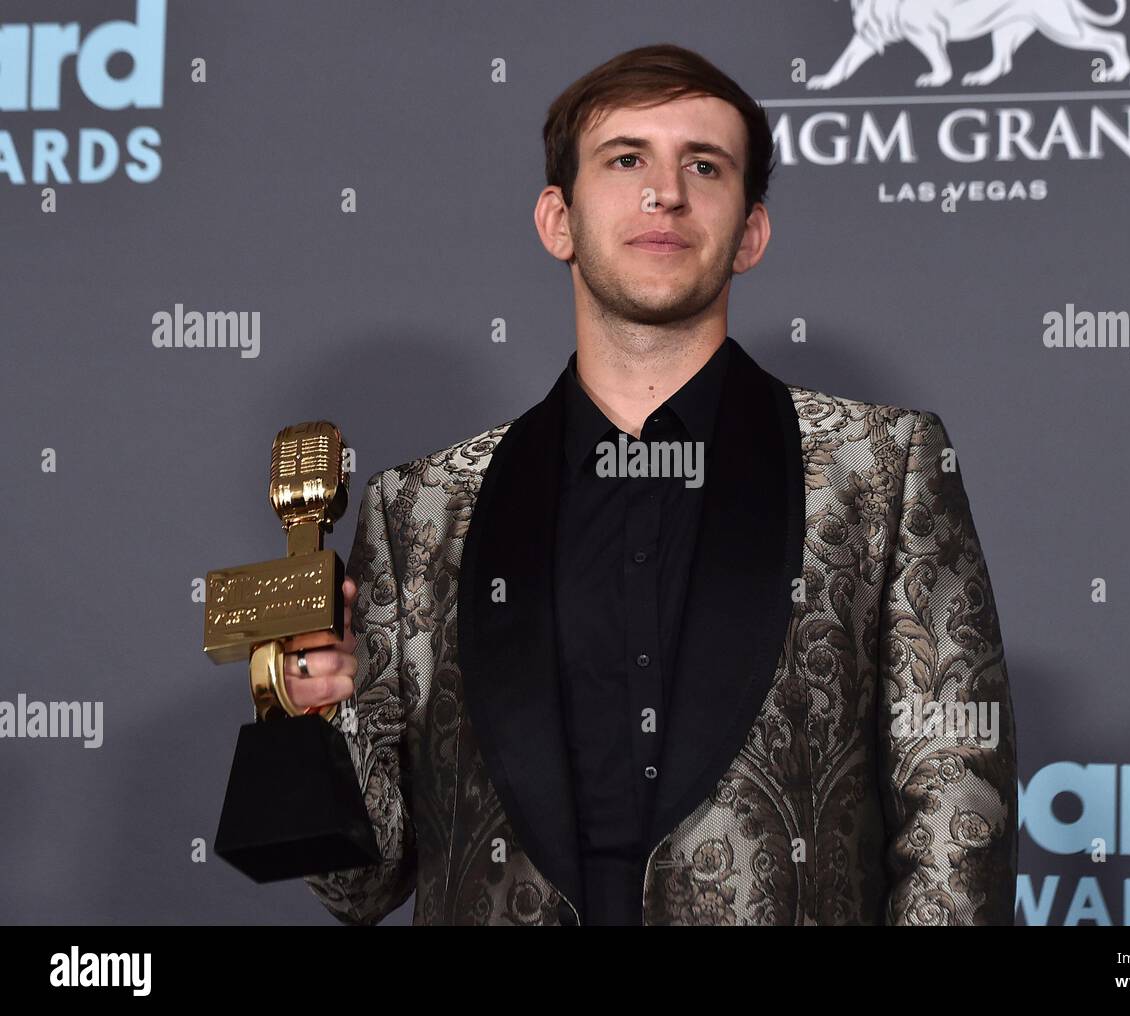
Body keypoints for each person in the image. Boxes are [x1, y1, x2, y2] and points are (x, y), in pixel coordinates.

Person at [288, 43, 1018, 926]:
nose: (663, 192)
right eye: (626, 158)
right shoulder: (421, 509)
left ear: (750, 232)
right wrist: (318, 723)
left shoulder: (881, 468)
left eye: (702, 166)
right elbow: (358, 886)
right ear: (557, 220)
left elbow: (957, 824)